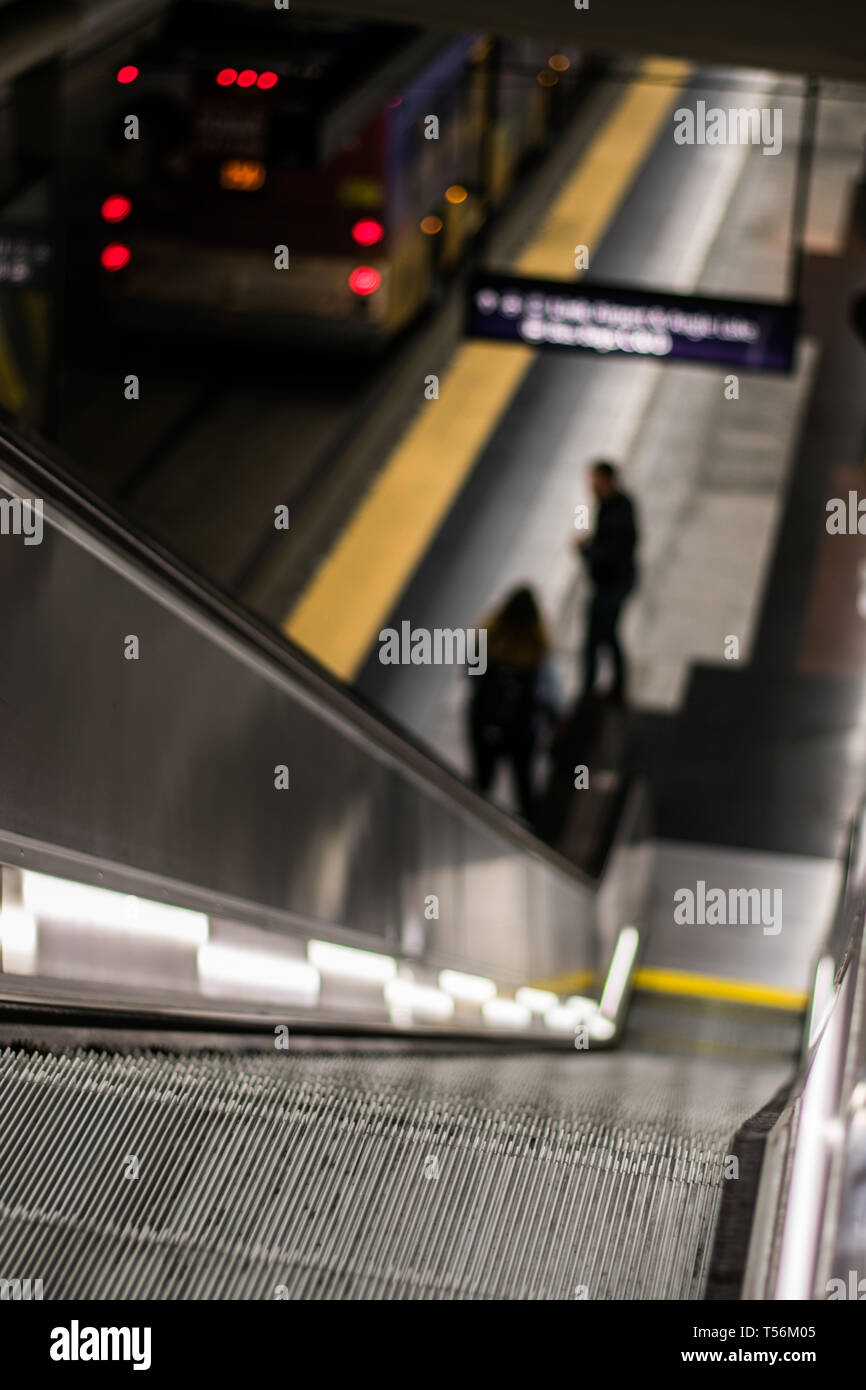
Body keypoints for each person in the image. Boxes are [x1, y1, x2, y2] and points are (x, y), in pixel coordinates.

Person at [468, 586, 557, 822]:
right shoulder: (538, 646)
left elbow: (471, 674)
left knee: (482, 780)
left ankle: (474, 822)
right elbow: (549, 694)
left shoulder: (488, 637)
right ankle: (532, 829)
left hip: (484, 720)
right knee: (524, 783)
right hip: (522, 728)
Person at [575, 461, 638, 704]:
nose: (591, 486)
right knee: (609, 636)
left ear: (608, 481)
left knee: (595, 639)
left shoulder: (615, 513)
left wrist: (587, 549)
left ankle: (589, 692)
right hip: (615, 582)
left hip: (612, 585)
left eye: (595, 481)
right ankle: (616, 687)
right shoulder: (617, 505)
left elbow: (612, 555)